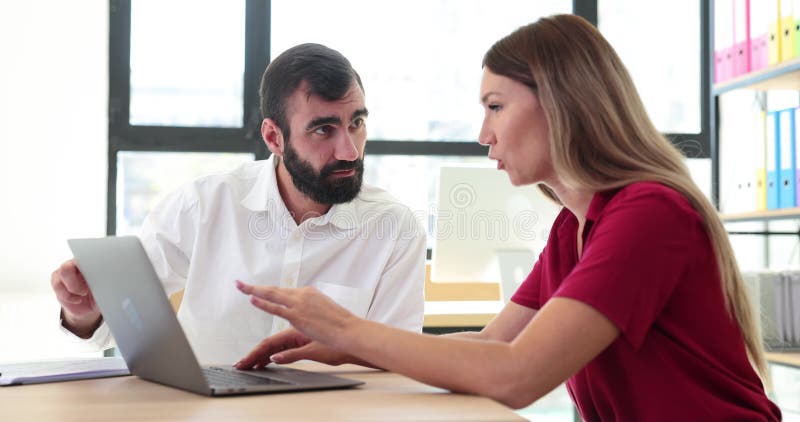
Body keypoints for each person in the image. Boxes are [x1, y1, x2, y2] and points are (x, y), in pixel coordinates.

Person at [234, 15, 782, 420]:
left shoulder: (650, 215)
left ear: (564, 106)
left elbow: (517, 377)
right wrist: (352, 346)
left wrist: (349, 327)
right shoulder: (574, 228)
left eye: (495, 106)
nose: (483, 135)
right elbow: (496, 344)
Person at [50, 43, 427, 364]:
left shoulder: (394, 228)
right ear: (273, 137)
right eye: (323, 129)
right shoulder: (202, 207)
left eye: (356, 123)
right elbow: (107, 329)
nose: (349, 150)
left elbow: (396, 363)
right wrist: (84, 313)